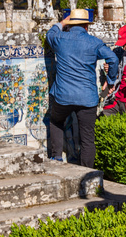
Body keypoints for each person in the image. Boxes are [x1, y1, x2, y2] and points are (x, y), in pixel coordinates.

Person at [45, 9, 118, 167]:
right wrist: (110, 80)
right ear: (86, 26)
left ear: (70, 25)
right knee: (87, 139)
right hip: (87, 97)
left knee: (56, 121)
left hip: (63, 95)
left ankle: (57, 157)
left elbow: (49, 34)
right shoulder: (94, 42)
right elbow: (113, 58)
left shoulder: (60, 38)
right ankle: (87, 173)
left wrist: (62, 22)